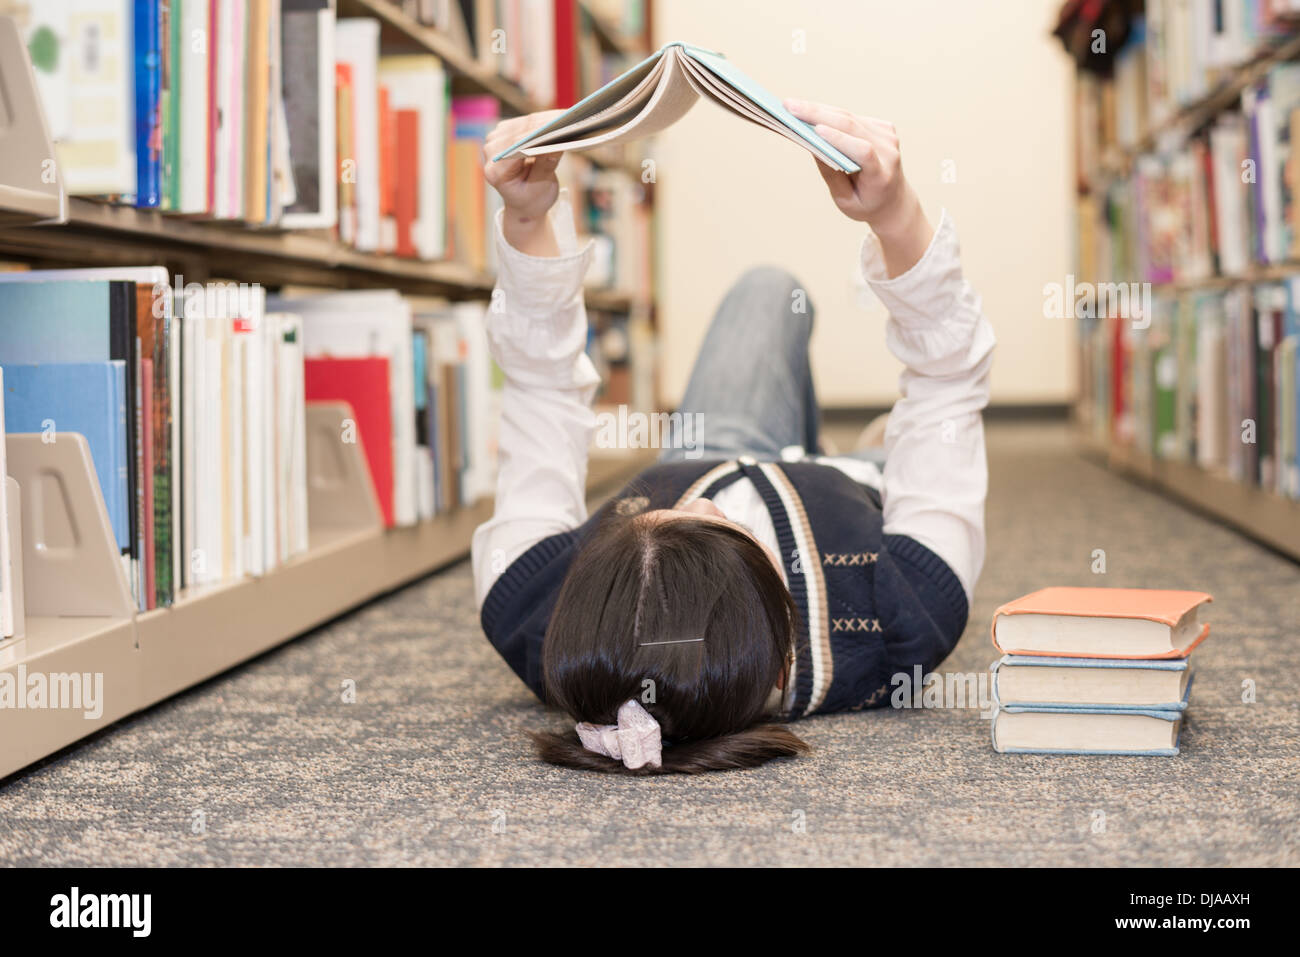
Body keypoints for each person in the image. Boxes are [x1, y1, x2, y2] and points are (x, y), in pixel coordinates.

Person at [470, 100, 996, 774]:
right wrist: (898, 216)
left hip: (711, 447)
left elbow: (539, 387)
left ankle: (859, 449)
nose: (701, 506)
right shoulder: (907, 606)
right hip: (858, 508)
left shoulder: (527, 596)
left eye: (654, 517)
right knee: (915, 440)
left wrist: (527, 217)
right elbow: (947, 377)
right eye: (724, 530)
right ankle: (870, 454)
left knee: (768, 289)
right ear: (786, 655)